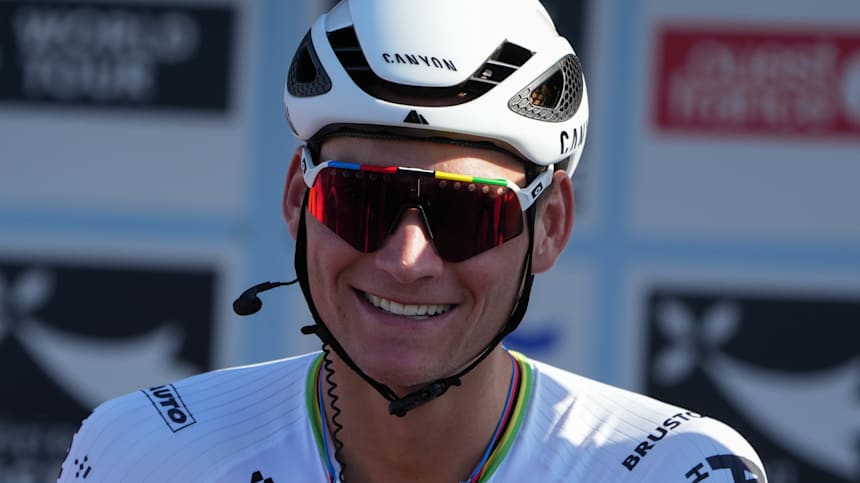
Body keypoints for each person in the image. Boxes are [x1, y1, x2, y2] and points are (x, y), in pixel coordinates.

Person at [58, 0, 768, 481]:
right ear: (298, 200)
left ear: (549, 226)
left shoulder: (677, 467)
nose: (406, 259)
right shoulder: (142, 453)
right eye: (360, 200)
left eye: (468, 212)